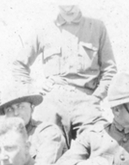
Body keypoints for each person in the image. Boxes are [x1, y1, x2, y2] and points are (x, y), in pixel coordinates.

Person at [12, 4, 116, 144]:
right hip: (53, 99)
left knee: (100, 142)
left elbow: (109, 69)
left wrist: (96, 97)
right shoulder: (44, 29)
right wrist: (33, 91)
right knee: (48, 145)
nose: (68, 7)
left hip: (86, 100)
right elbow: (19, 65)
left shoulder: (97, 27)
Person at [0, 85, 66, 165]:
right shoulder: (5, 137)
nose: (16, 113)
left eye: (21, 107)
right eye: (9, 109)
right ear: (5, 115)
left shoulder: (47, 132)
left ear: (32, 109)